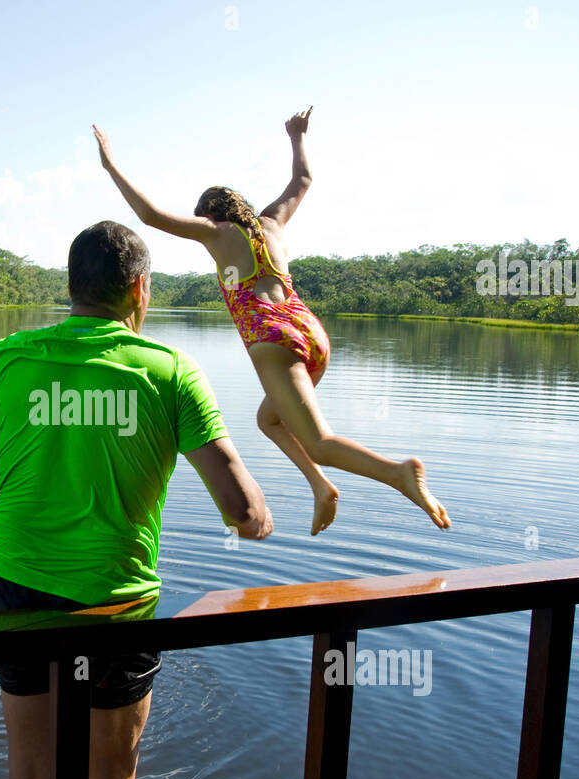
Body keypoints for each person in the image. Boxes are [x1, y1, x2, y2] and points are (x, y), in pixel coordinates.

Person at [0, 221, 273, 779]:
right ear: (140, 289)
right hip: (114, 604)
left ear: (71, 287)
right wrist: (258, 518)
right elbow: (242, 511)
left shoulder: (6, 358)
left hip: (18, 595)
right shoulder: (170, 370)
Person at [92, 108, 451, 536]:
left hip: (272, 337)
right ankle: (321, 488)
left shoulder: (216, 231)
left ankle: (399, 473)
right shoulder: (271, 223)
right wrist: (297, 136)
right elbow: (302, 181)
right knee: (270, 419)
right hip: (310, 331)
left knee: (319, 442)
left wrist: (111, 165)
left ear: (210, 213)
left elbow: (150, 216)